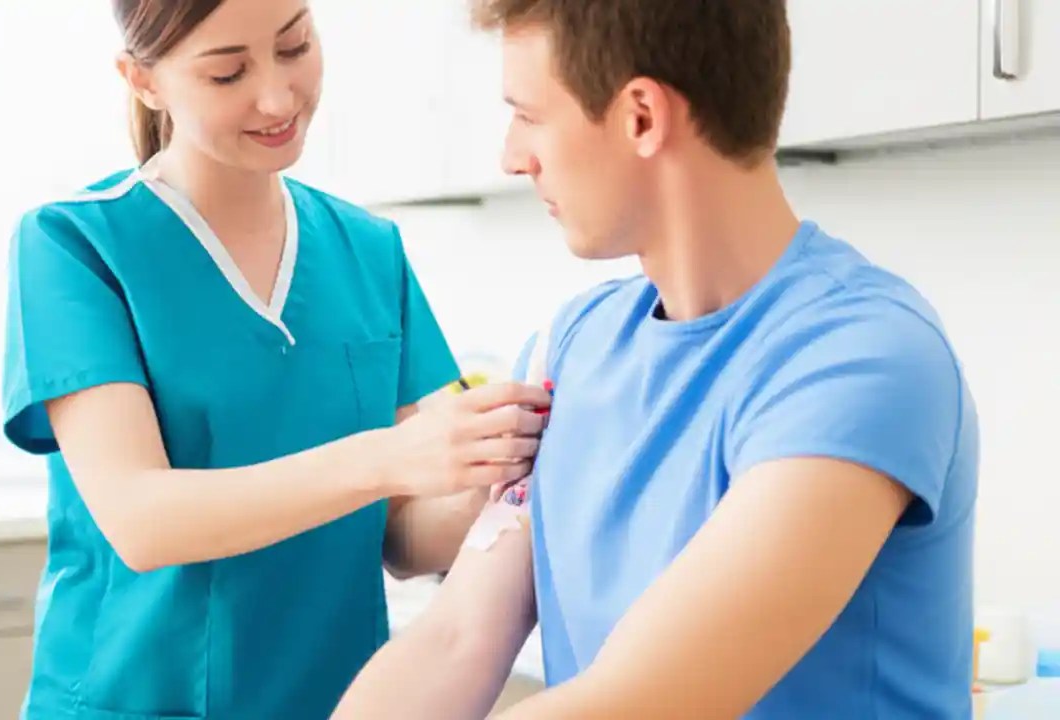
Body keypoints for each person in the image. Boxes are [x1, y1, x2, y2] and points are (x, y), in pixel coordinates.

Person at [332, 1, 979, 718]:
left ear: (641, 116)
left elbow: (635, 702)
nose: (513, 156)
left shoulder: (862, 360)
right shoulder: (569, 347)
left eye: (529, 114)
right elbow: (454, 641)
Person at [0, 1, 551, 718]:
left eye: (294, 48)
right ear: (143, 80)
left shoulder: (369, 250)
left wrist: (492, 473)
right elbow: (142, 521)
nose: (277, 96)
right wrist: (392, 456)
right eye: (228, 72)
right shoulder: (76, 244)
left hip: (333, 700)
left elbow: (406, 539)